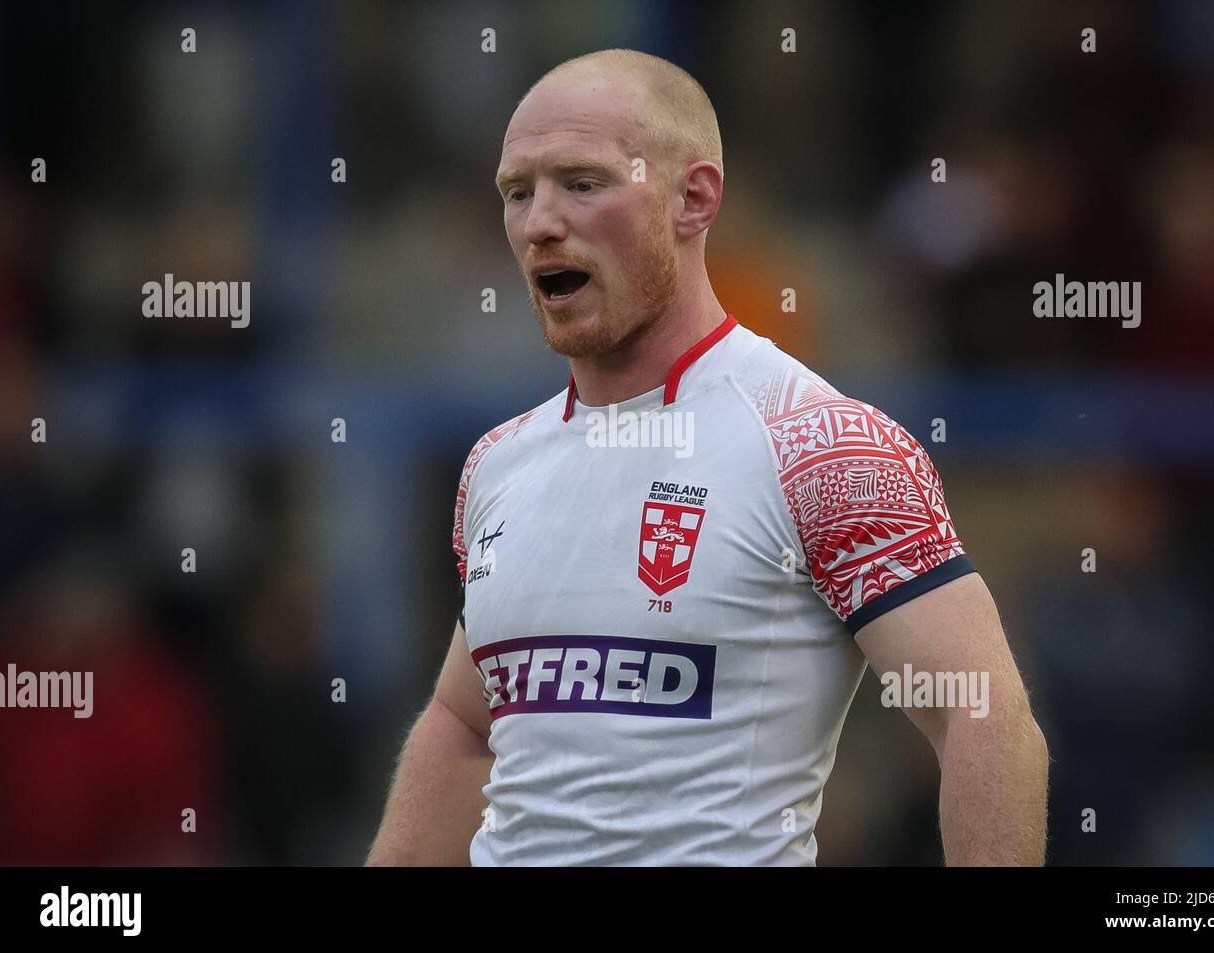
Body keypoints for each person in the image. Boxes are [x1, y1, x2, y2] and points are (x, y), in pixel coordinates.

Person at [367, 49, 1048, 866]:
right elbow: (463, 722)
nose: (540, 220)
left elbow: (981, 713)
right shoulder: (497, 465)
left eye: (583, 183)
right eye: (518, 191)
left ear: (694, 198)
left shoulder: (819, 443)